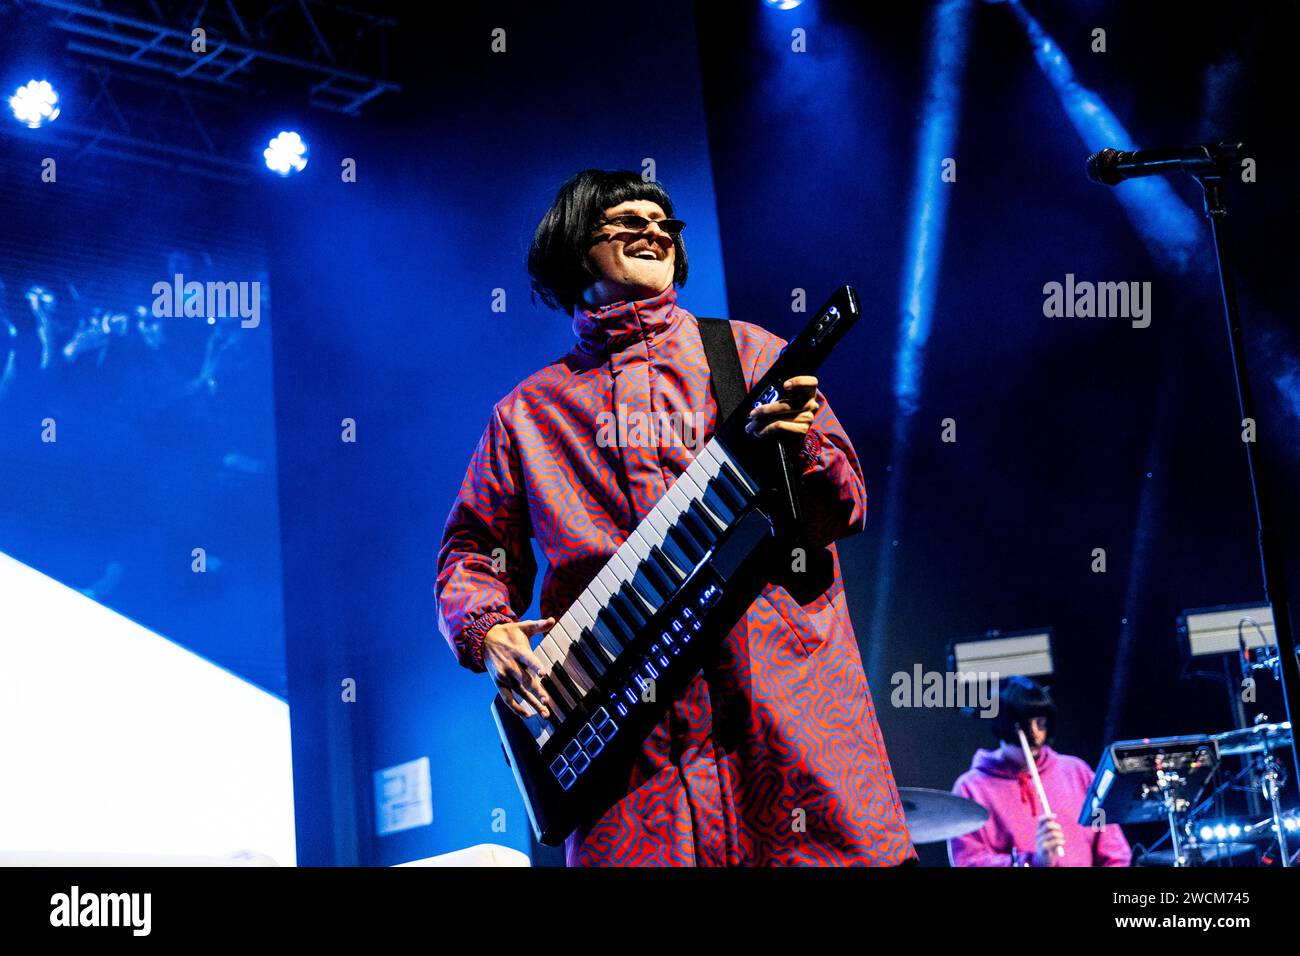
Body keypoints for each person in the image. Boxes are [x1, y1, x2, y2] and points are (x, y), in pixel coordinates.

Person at [436, 169, 913, 866]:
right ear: (574, 247)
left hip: (784, 732)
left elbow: (846, 505)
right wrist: (487, 628)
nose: (653, 230)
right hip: (629, 764)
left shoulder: (748, 354)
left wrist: (800, 449)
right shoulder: (528, 413)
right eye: (626, 221)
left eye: (663, 223)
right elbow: (471, 551)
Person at [948, 676, 1131, 867]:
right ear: (1004, 725)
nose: (1036, 735)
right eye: (1026, 726)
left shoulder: (1076, 772)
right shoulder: (972, 788)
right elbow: (968, 861)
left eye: (1041, 724)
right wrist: (1032, 862)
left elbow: (1114, 850)